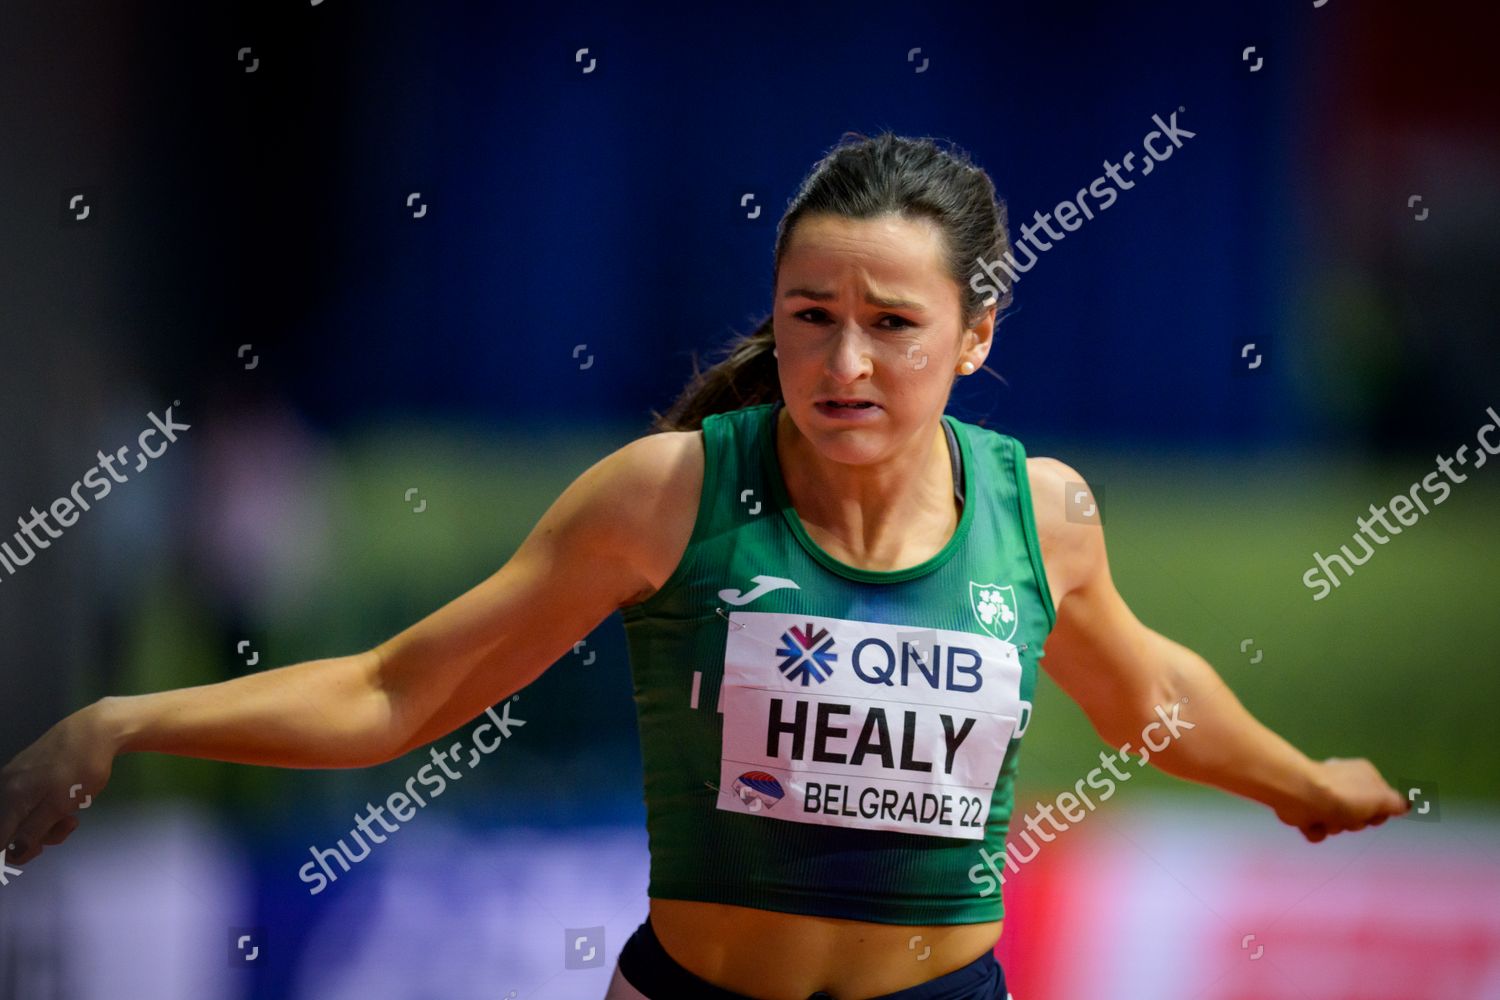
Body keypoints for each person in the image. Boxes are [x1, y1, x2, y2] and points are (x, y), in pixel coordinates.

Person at [0, 132, 1408, 1000]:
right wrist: (122, 718)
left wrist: (1300, 784)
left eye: (893, 325)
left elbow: (1144, 685)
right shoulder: (668, 497)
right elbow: (392, 695)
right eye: (811, 316)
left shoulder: (1041, 514)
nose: (843, 363)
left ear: (977, 334)